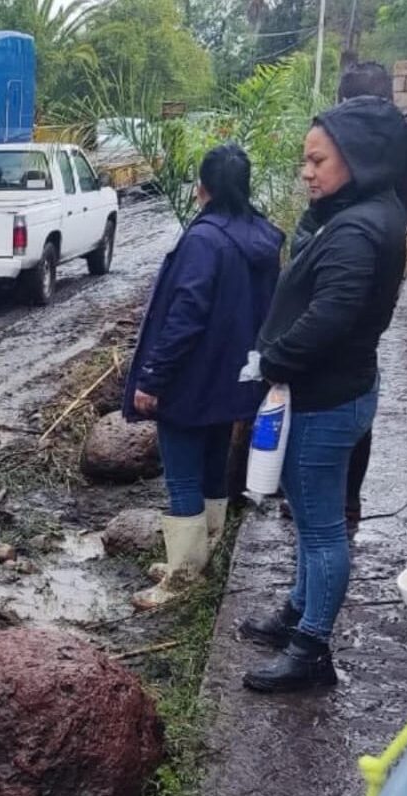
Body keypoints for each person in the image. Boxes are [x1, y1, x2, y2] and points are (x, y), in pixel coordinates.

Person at [240, 97, 407, 693]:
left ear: (356, 160)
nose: (306, 173)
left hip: (327, 398)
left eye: (317, 161)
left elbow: (331, 314)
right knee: (313, 518)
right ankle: (296, 611)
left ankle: (311, 650)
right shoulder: (363, 211)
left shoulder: (360, 230)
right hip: (339, 389)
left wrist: (273, 360)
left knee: (320, 527)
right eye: (304, 162)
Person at [123, 145, 284, 611]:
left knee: (182, 478)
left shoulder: (205, 240)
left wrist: (152, 378)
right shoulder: (262, 235)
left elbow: (185, 315)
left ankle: (182, 577)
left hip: (192, 379)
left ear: (204, 188)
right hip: (234, 377)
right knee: (214, 467)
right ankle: (203, 554)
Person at [317, 62, 407, 532]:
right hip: (386, 262)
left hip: (358, 262)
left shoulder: (374, 151)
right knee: (357, 377)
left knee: (339, 382)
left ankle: (335, 500)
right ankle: (346, 502)